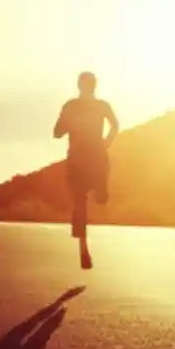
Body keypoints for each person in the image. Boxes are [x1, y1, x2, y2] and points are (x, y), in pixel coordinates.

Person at [53, 71, 118, 269]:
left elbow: (115, 125)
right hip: (78, 161)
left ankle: (101, 193)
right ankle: (83, 249)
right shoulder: (71, 106)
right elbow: (57, 132)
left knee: (97, 199)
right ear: (81, 86)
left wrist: (107, 142)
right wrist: (70, 123)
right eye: (86, 85)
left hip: (95, 158)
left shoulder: (102, 106)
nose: (88, 89)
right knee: (80, 203)